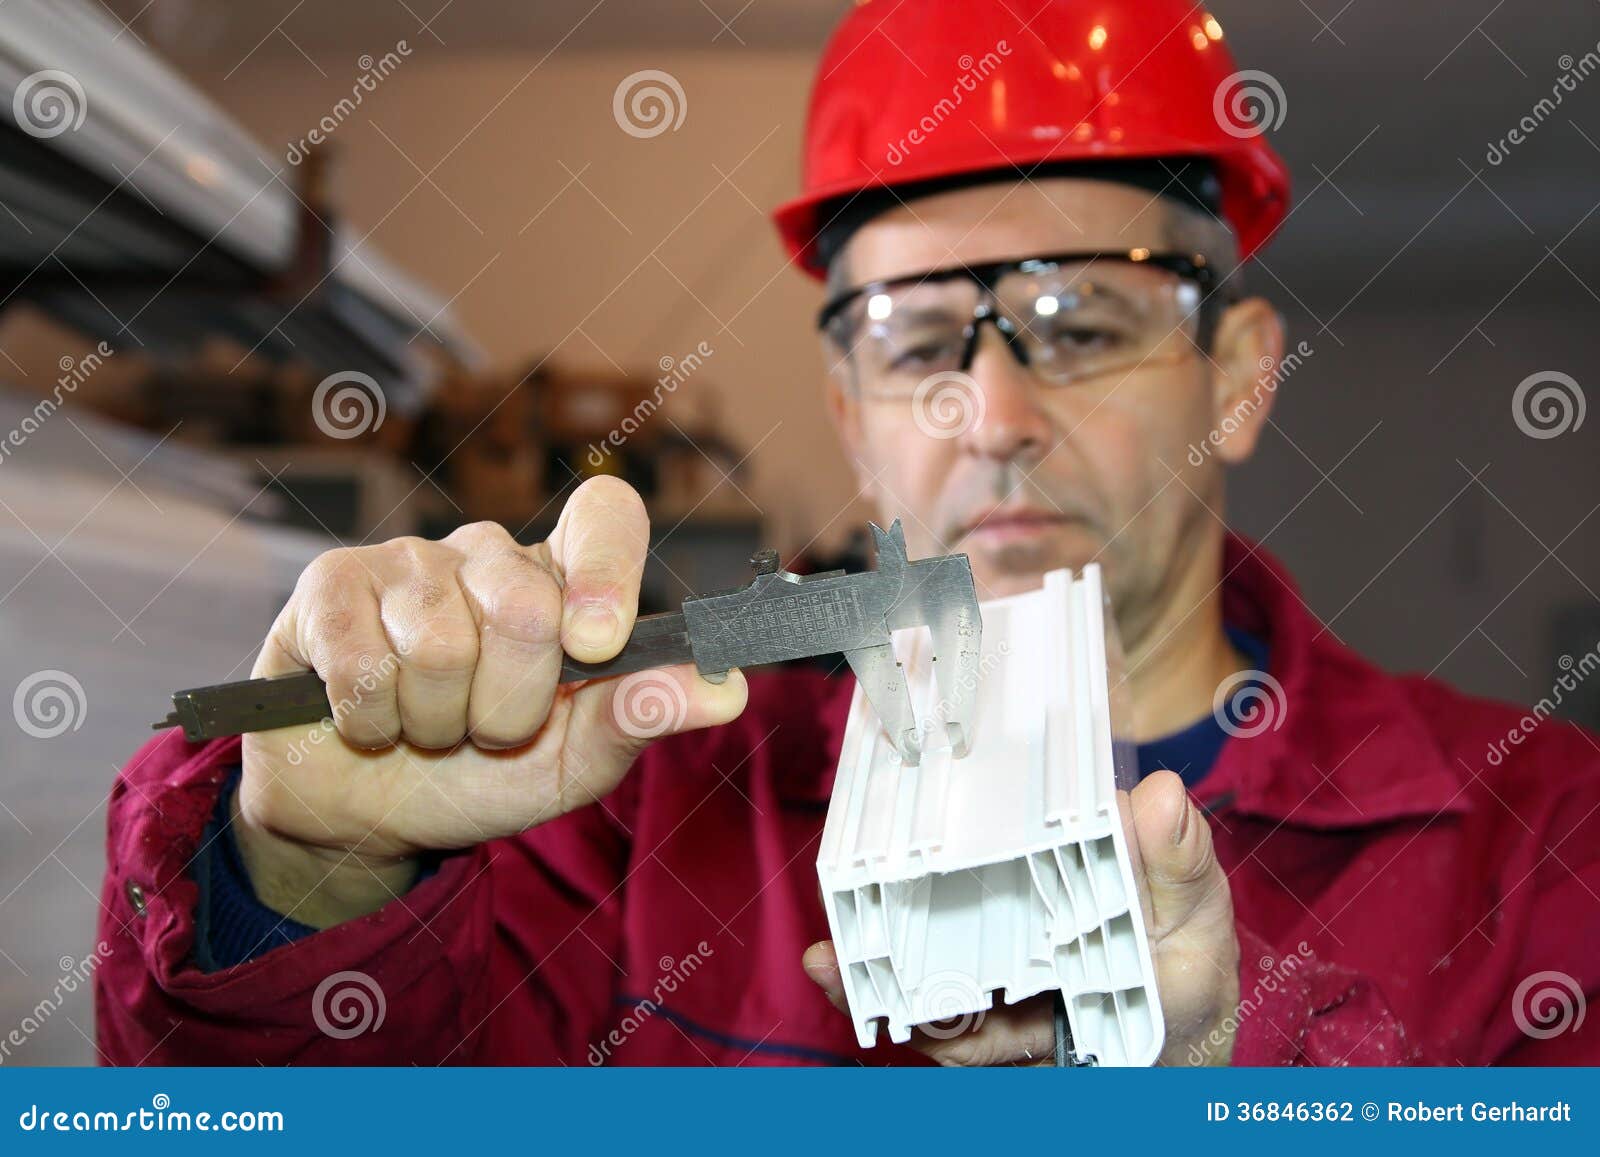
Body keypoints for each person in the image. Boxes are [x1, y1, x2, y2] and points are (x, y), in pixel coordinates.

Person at [96, 0, 1598, 1066]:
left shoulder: (1542, 840)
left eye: (1081, 322)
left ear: (1243, 371)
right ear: (847, 400)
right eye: (918, 335)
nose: (992, 411)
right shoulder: (622, 821)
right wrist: (303, 877)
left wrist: (1229, 1083)